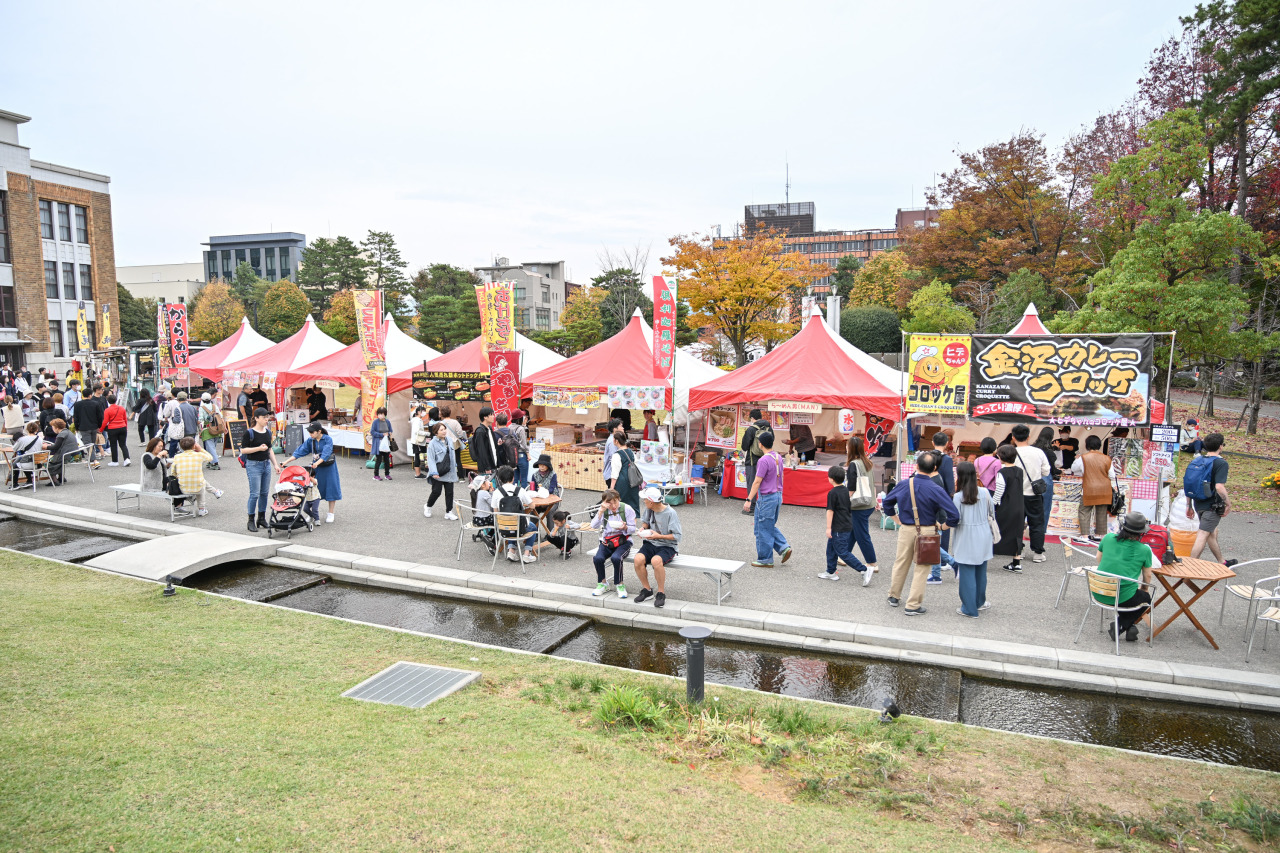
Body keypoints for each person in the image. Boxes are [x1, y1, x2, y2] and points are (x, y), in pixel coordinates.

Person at [880, 451, 958, 616]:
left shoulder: (903, 484)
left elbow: (887, 503)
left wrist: (896, 520)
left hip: (907, 528)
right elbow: (954, 514)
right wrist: (944, 527)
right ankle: (913, 605)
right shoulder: (936, 488)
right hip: (928, 529)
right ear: (934, 468)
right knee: (922, 568)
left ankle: (894, 596)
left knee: (901, 562)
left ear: (916, 466)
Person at [1095, 511, 1157, 642]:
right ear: (1141, 532)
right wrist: (1144, 590)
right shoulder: (1144, 550)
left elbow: (1098, 559)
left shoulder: (1107, 538)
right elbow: (1148, 576)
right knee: (1144, 599)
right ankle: (1120, 626)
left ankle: (1130, 627)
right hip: (1121, 597)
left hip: (1098, 590)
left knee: (1129, 595)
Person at [951, 461, 995, 618]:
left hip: (966, 536)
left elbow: (955, 519)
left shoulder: (958, 497)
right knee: (981, 572)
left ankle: (969, 608)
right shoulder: (984, 492)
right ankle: (979, 602)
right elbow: (992, 513)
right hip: (983, 534)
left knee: (967, 572)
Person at [743, 430, 791, 568]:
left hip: (767, 497)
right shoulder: (778, 457)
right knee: (765, 525)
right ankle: (783, 547)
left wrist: (748, 499)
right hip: (777, 495)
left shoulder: (763, 460)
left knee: (763, 527)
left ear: (760, 444)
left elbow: (757, 481)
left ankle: (766, 558)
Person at [1186, 432, 1234, 564]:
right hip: (1212, 505)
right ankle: (1190, 565)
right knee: (1203, 533)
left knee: (1210, 531)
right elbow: (1219, 487)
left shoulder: (1197, 460)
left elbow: (1190, 483)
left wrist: (1188, 505)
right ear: (1220, 446)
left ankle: (1221, 561)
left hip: (1197, 502)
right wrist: (1228, 503)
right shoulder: (1220, 463)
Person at [632, 485, 682, 608]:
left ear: (652, 502)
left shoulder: (670, 513)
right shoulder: (649, 509)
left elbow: (677, 536)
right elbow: (645, 523)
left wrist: (658, 536)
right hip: (651, 543)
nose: (644, 501)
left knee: (656, 561)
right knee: (638, 559)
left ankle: (661, 593)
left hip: (667, 546)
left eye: (645, 500)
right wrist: (643, 529)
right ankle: (647, 590)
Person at [821, 466, 871, 582]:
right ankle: (830, 571)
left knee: (842, 552)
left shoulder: (832, 493)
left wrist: (828, 528)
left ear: (831, 479)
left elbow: (830, 511)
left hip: (838, 527)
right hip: (846, 524)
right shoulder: (845, 490)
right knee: (831, 549)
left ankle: (863, 569)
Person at [1011, 424, 1050, 563]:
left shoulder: (1012, 452)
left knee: (1017, 524)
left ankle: (1018, 551)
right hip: (1034, 494)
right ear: (1028, 436)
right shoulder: (1038, 452)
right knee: (1037, 523)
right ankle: (1038, 553)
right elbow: (1046, 471)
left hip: (1016, 495)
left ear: (1013, 437)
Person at [843, 436, 879, 580]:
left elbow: (851, 487)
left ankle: (872, 562)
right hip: (869, 502)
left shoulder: (854, 464)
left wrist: (844, 501)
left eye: (847, 446)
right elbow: (871, 482)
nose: (846, 448)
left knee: (861, 534)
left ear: (850, 448)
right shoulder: (867, 461)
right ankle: (844, 554)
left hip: (859, 504)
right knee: (854, 530)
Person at [590, 489, 636, 598]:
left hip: (623, 540)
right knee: (598, 558)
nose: (613, 505)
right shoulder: (604, 510)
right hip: (608, 541)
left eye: (615, 502)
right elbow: (594, 526)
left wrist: (625, 527)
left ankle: (619, 584)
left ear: (619, 499)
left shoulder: (627, 509)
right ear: (604, 502)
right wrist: (600, 511)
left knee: (616, 558)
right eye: (609, 503)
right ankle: (603, 583)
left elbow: (633, 529)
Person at [240, 408, 281, 532]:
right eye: (264, 418)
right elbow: (243, 450)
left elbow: (269, 449)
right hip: (253, 465)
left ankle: (261, 518)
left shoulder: (268, 432)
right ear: (256, 418)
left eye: (267, 417)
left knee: (264, 493)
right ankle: (250, 520)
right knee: (254, 494)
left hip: (266, 465)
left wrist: (275, 464)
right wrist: (258, 448)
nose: (266, 420)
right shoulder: (249, 433)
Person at [292, 422, 341, 525]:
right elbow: (300, 451)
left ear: (319, 431)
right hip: (316, 467)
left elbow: (326, 453)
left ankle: (331, 513)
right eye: (309, 432)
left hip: (328, 467)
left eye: (312, 432)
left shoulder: (328, 439)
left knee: (330, 488)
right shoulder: (311, 440)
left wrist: (317, 463)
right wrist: (286, 462)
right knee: (313, 489)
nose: (310, 434)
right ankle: (312, 514)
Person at [992, 444, 1027, 572]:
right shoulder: (1019, 470)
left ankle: (985, 556)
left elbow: (999, 491)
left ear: (1002, 457)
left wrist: (993, 504)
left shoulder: (1002, 472)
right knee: (1017, 534)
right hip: (1019, 506)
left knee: (996, 530)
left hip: (1006, 506)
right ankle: (1016, 562)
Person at [493, 464, 536, 564]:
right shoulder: (520, 490)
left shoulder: (496, 492)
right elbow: (532, 506)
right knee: (533, 527)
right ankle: (526, 554)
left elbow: (495, 511)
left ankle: (511, 551)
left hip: (503, 528)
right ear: (513, 478)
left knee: (511, 525)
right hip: (520, 527)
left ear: (500, 478)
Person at [1071, 435, 1112, 541]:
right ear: (1099, 445)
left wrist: (1076, 459)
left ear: (1087, 445)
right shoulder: (1107, 458)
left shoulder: (1083, 458)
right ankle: (1100, 535)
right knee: (1101, 512)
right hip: (1104, 489)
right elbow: (1112, 475)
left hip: (1088, 488)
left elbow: (1073, 469)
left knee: (1084, 511)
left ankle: (1085, 536)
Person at [171, 436, 222, 517]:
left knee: (198, 480)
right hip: (198, 486)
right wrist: (200, 449)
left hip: (184, 488)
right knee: (200, 482)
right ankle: (202, 508)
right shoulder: (199, 455)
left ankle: (215, 492)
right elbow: (211, 458)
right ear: (194, 446)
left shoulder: (177, 457)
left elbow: (173, 472)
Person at [423, 422, 459, 520]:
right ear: (436, 433)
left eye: (444, 429)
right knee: (436, 492)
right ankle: (428, 506)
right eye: (441, 430)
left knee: (449, 492)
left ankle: (449, 512)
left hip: (449, 471)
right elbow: (430, 459)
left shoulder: (450, 440)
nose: (444, 431)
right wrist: (434, 472)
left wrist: (455, 467)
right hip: (438, 472)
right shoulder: (432, 444)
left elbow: (452, 455)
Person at [739, 409, 771, 514]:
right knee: (765, 482)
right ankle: (764, 507)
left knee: (752, 482)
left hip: (752, 460)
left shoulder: (751, 429)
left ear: (752, 418)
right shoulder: (769, 428)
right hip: (766, 459)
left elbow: (744, 446)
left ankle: (751, 508)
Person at [606, 428, 641, 514]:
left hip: (622, 482)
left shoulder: (617, 455)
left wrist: (611, 488)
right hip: (633, 481)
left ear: (616, 441)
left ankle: (622, 523)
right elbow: (636, 463)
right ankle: (632, 524)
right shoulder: (631, 452)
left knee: (621, 504)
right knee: (633, 504)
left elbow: (615, 474)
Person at [1033, 426, 1061, 530]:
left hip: (1032, 480)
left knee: (1031, 506)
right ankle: (1041, 529)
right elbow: (1052, 470)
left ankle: (1030, 527)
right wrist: (1060, 471)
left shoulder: (1033, 448)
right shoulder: (1049, 452)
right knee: (1045, 507)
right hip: (1045, 482)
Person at [72, 385, 104, 465]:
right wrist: (99, 426)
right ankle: (92, 460)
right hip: (94, 426)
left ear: (83, 395)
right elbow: (100, 416)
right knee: (91, 443)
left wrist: (76, 427)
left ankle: (93, 461)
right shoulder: (96, 404)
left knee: (88, 444)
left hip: (83, 427)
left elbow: (76, 417)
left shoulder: (77, 404)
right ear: (90, 395)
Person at [44, 418, 77, 485]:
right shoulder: (68, 432)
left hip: (66, 455)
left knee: (46, 463)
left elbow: (56, 447)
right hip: (73, 453)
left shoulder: (61, 434)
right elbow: (58, 445)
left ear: (56, 428)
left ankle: (54, 480)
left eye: (52, 427)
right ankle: (61, 477)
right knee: (57, 459)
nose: (52, 429)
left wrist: (46, 447)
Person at [10, 422, 44, 489]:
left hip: (28, 463)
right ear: (37, 430)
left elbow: (14, 449)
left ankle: (14, 484)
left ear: (27, 429)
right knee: (23, 459)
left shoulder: (22, 439)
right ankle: (29, 480)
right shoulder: (40, 439)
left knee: (15, 464)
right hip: (38, 463)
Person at [101, 394, 131, 467]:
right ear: (116, 400)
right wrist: (126, 427)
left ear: (108, 401)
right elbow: (125, 419)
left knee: (113, 445)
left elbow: (105, 421)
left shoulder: (107, 410)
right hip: (122, 427)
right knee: (123, 444)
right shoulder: (122, 408)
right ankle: (127, 459)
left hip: (112, 429)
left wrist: (101, 429)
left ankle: (115, 461)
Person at [196, 393, 223, 469]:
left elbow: (201, 419)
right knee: (213, 446)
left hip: (207, 429)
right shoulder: (215, 406)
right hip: (217, 428)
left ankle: (215, 462)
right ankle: (210, 461)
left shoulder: (202, 408)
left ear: (202, 400)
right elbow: (221, 416)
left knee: (210, 447)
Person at [471, 406, 500, 474]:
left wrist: (497, 444)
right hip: (486, 467)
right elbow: (481, 451)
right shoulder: (480, 431)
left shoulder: (489, 428)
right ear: (485, 417)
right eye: (491, 415)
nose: (493, 417)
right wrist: (487, 467)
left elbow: (490, 446)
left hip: (493, 464)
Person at [438, 405, 466, 475]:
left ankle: (448, 475)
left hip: (444, 443)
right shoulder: (455, 422)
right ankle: (461, 477)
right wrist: (458, 437)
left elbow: (439, 434)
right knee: (458, 460)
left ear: (441, 414)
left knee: (447, 459)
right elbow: (460, 433)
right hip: (455, 443)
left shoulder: (440, 423)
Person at [370, 406, 393, 481]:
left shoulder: (387, 421)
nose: (381, 415)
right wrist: (382, 434)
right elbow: (372, 432)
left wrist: (388, 433)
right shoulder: (375, 422)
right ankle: (376, 475)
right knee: (379, 460)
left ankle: (387, 474)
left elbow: (391, 431)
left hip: (386, 443)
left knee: (387, 459)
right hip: (378, 443)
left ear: (385, 414)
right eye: (379, 414)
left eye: (382, 414)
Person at [600, 417, 623, 489]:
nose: (623, 428)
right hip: (612, 475)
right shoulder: (612, 441)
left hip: (613, 474)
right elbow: (614, 459)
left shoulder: (614, 439)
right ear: (615, 429)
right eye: (621, 426)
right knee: (614, 497)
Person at [410, 405, 430, 479]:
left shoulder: (417, 420)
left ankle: (419, 473)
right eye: (423, 411)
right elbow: (417, 431)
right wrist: (427, 433)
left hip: (418, 441)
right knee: (418, 456)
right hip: (418, 441)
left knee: (419, 456)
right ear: (419, 412)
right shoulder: (417, 420)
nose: (424, 413)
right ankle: (417, 474)